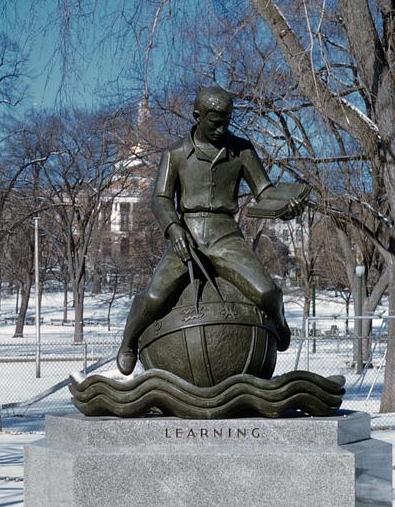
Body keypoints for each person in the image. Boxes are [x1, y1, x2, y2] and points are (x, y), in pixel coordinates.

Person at [116, 85, 309, 375]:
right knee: (155, 296)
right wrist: (173, 227)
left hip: (225, 234)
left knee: (269, 292)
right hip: (188, 233)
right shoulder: (176, 154)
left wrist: (286, 206)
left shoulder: (242, 151)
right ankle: (128, 341)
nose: (222, 129)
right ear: (197, 116)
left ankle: (279, 324)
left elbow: (264, 191)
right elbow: (161, 198)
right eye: (215, 123)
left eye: (226, 122)